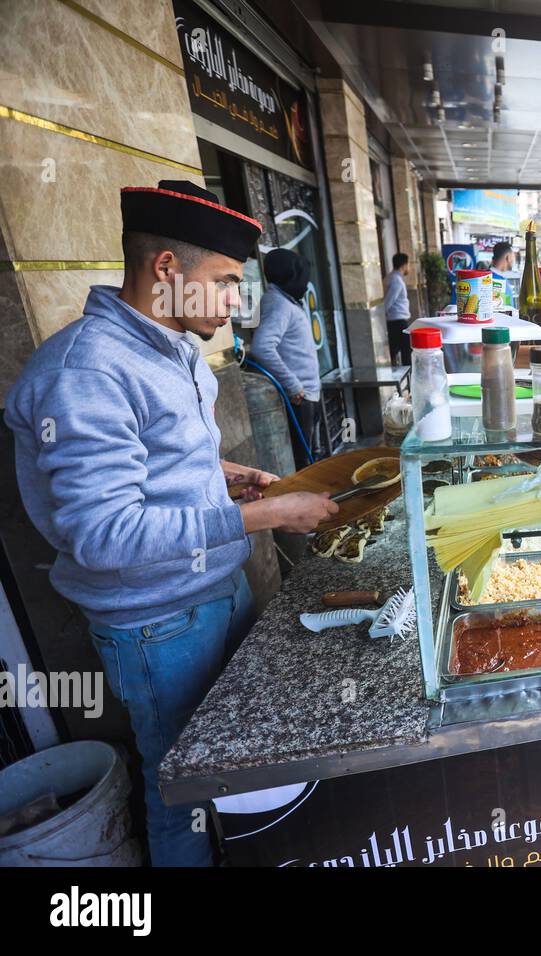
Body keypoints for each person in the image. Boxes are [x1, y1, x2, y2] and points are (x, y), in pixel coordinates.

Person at [4, 180, 339, 866]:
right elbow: (103, 536)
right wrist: (267, 513)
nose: (233, 302)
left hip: (219, 588)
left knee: (238, 764)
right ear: (166, 270)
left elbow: (158, 461)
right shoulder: (86, 371)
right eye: (222, 282)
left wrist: (226, 473)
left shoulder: (177, 345)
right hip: (156, 624)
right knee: (184, 791)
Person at [249, 248, 320, 469]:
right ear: (289, 275)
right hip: (299, 396)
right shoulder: (277, 303)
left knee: (310, 454)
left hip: (308, 392)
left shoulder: (287, 301)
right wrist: (292, 384)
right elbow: (262, 347)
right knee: (302, 461)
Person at [384, 252, 411, 366]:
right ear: (404, 265)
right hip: (398, 321)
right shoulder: (396, 280)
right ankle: (408, 377)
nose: (408, 268)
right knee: (406, 352)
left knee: (396, 350)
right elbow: (388, 301)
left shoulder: (391, 277)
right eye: (408, 265)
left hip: (395, 320)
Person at [490, 240, 516, 309]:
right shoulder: (500, 283)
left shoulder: (485, 277)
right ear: (508, 257)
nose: (513, 260)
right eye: (513, 257)